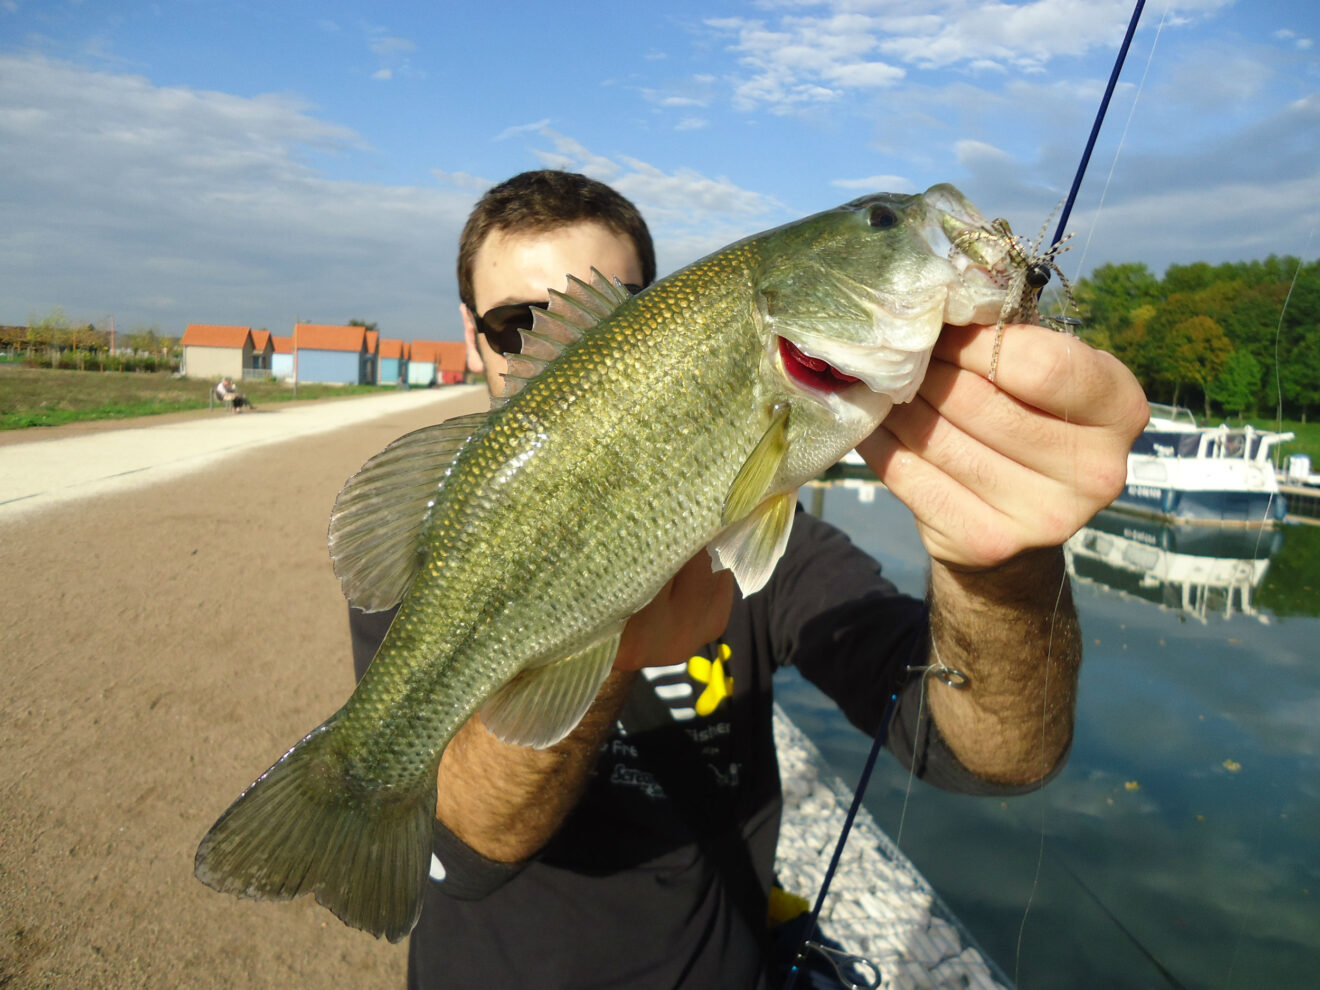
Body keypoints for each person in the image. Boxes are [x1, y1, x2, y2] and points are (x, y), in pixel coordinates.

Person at [347, 170, 1148, 988]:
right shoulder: (445, 547)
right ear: (471, 333)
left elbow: (990, 755)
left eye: (608, 309)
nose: (564, 350)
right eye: (519, 325)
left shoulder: (777, 546)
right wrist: (603, 644)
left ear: (653, 322)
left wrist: (1003, 568)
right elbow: (467, 849)